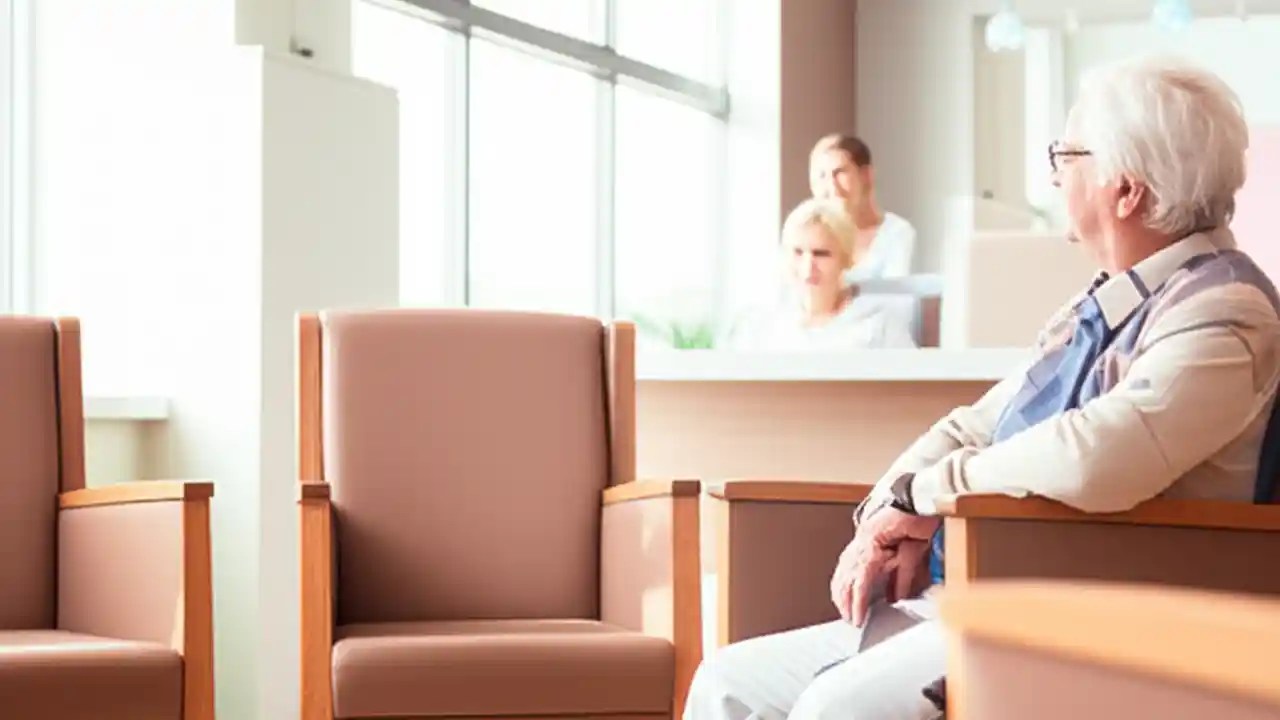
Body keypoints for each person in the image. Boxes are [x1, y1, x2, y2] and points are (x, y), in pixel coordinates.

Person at [685, 55, 1280, 719]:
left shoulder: (1227, 309)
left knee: (833, 709)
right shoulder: (1103, 305)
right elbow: (972, 426)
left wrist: (932, 495)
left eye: (1067, 154)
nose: (1056, 175)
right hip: (986, 590)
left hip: (1101, 614)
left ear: (1125, 189)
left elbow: (1099, 454)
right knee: (726, 683)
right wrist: (886, 513)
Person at [723, 197, 917, 351]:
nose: (808, 267)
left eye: (821, 254)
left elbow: (914, 389)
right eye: (798, 252)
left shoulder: (879, 324)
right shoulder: (759, 326)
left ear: (846, 259)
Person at [809, 134, 916, 282]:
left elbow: (896, 299)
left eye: (839, 173)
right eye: (821, 176)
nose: (832, 187)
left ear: (866, 175)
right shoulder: (808, 240)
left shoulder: (897, 233)